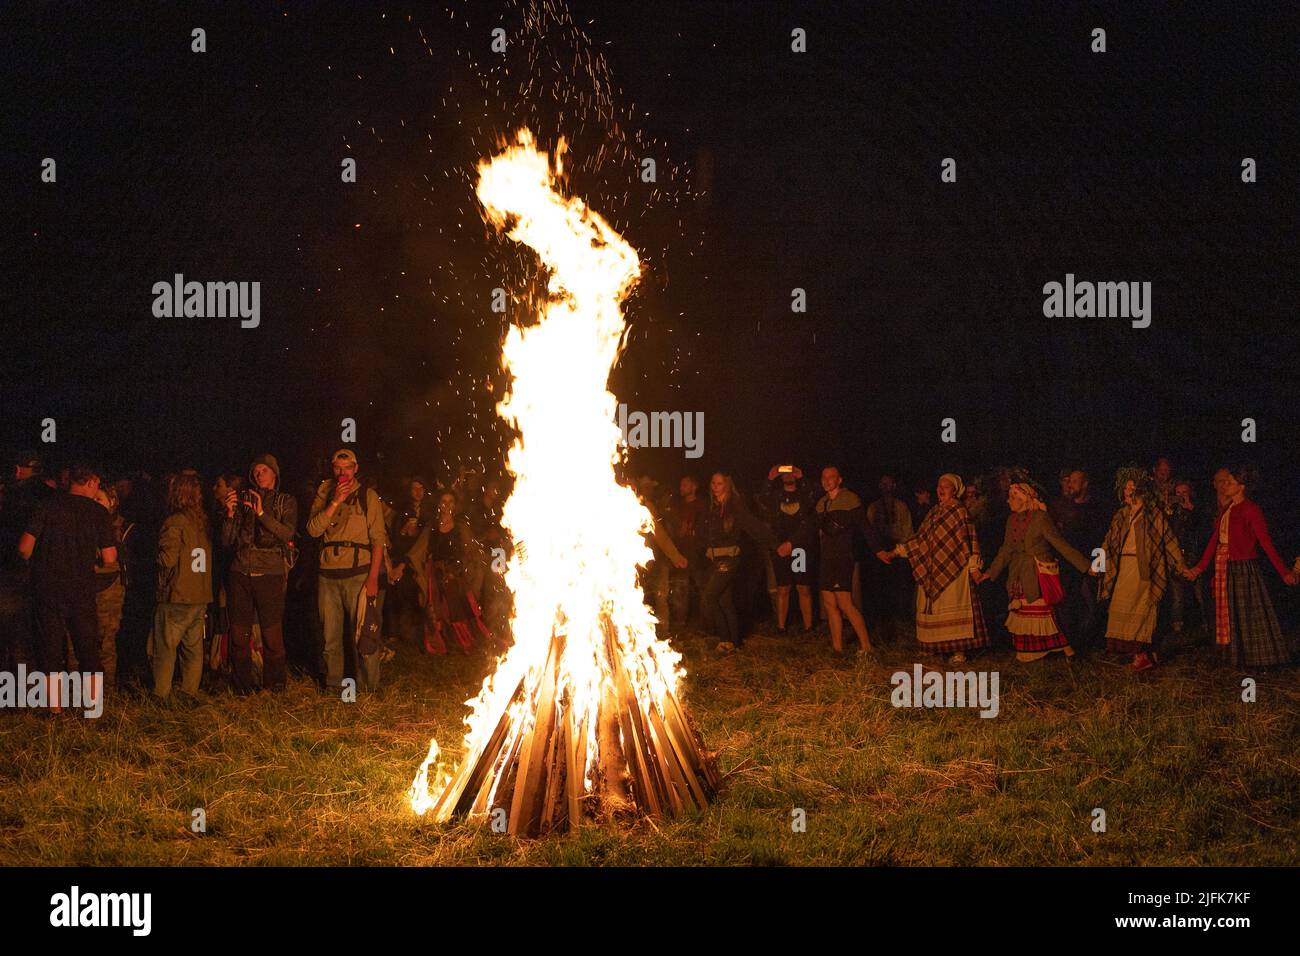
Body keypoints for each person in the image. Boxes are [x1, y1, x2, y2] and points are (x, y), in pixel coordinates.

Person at [17, 463, 117, 711]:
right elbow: (109, 557)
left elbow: (24, 547)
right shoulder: (97, 512)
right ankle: (92, 706)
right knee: (87, 649)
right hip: (81, 588)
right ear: (92, 482)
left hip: (47, 588)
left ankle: (54, 710)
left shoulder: (46, 506)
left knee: (50, 649)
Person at [973, 474, 1096, 662]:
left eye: (1014, 497)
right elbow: (1006, 550)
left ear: (1024, 499)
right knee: (1023, 610)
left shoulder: (1040, 518)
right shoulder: (1012, 521)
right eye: (1009, 496)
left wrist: (1086, 567)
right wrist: (990, 572)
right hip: (1018, 572)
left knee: (1044, 613)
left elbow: (1060, 544)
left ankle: (1066, 649)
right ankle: (1029, 650)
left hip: (1038, 572)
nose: (1009, 500)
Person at [1184, 466, 1297, 668]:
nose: (1225, 485)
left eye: (1230, 482)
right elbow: (1214, 540)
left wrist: (1284, 572)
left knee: (1247, 614)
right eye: (1225, 481)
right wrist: (1198, 568)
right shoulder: (1227, 510)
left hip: (1242, 568)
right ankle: (1233, 657)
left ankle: (1258, 659)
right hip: (1225, 566)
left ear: (1242, 486)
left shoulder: (1251, 509)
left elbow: (1265, 542)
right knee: (1228, 614)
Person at [307, 449, 389, 692]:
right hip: (328, 574)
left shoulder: (368, 495)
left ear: (356, 468)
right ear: (332, 469)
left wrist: (373, 577)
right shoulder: (324, 493)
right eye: (337, 468)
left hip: (358, 574)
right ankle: (334, 687)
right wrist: (334, 502)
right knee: (330, 636)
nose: (342, 473)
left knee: (363, 636)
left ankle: (367, 690)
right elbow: (312, 530)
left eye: (347, 468)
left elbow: (378, 539)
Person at [220, 454, 297, 694]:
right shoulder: (243, 501)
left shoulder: (286, 501)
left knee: (272, 636)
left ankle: (274, 688)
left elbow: (287, 533)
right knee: (239, 637)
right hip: (240, 573)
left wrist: (262, 513)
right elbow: (226, 541)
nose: (259, 474)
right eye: (256, 471)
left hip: (270, 574)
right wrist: (230, 514)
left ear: (275, 473)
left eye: (264, 470)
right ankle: (242, 688)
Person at [893, 474, 988, 663]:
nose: (940, 489)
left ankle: (958, 650)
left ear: (955, 490)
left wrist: (973, 567)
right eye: (939, 485)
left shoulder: (960, 511)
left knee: (953, 605)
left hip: (955, 569)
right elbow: (921, 539)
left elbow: (969, 540)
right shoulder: (934, 512)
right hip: (931, 568)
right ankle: (933, 646)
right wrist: (899, 551)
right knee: (933, 607)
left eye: (946, 486)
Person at [1097, 469, 1187, 671]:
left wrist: (1181, 566)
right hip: (1124, 568)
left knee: (1143, 612)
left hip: (1144, 570)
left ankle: (1142, 656)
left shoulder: (1153, 514)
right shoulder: (1121, 515)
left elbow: (1169, 540)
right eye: (1126, 487)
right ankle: (1144, 653)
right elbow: (1108, 542)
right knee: (1122, 610)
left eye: (1132, 487)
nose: (1128, 491)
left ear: (1141, 490)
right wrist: (1098, 563)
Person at [396, 489, 491, 654]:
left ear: (455, 506)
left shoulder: (461, 527)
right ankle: (441, 643)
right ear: (439, 505)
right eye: (443, 502)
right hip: (436, 575)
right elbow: (418, 550)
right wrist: (402, 567)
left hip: (456, 574)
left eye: (450, 502)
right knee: (437, 611)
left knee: (458, 609)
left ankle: (461, 642)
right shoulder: (431, 527)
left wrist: (468, 568)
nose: (447, 505)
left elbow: (472, 552)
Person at [700, 472, 783, 654]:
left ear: (727, 485)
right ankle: (735, 643)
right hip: (716, 560)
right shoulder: (714, 506)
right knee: (725, 601)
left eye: (719, 483)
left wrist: (775, 544)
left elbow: (754, 526)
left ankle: (724, 640)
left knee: (709, 598)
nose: (715, 486)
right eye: (713, 483)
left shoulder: (735, 506)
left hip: (729, 560)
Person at [151, 473, 212, 702]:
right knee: (193, 648)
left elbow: (166, 559)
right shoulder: (203, 521)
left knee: (165, 648)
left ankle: (161, 694)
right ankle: (189, 692)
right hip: (200, 594)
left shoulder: (174, 521)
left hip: (176, 594)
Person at [815, 466, 879, 655]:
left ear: (840, 479)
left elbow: (865, 527)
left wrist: (879, 550)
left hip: (843, 557)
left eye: (831, 477)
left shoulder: (850, 499)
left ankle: (867, 646)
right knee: (829, 603)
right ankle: (837, 647)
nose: (827, 480)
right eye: (824, 477)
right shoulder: (822, 503)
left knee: (844, 602)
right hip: (826, 557)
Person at [759, 464, 818, 633]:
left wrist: (802, 478)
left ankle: (808, 627)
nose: (788, 475)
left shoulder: (804, 494)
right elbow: (762, 499)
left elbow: (814, 497)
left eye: (791, 471)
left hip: (799, 548)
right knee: (783, 588)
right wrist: (770, 478)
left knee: (802, 587)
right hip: (779, 548)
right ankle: (781, 627)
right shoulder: (776, 496)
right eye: (784, 472)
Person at [635, 476, 690, 638]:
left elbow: (660, 534)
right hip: (639, 564)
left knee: (661, 598)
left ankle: (663, 634)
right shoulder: (637, 506)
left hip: (658, 561)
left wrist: (675, 556)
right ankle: (642, 636)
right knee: (643, 598)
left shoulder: (652, 507)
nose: (649, 490)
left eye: (650, 488)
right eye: (646, 487)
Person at [865, 473, 915, 642]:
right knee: (880, 589)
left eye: (889, 484)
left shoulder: (901, 506)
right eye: (883, 484)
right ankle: (881, 621)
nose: (886, 487)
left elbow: (908, 531)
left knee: (898, 588)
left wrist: (902, 550)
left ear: (894, 486)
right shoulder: (873, 507)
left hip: (898, 552)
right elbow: (870, 531)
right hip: (879, 552)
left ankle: (899, 621)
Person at [663, 474, 707, 628]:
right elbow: (671, 530)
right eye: (681, 485)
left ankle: (705, 625)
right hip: (680, 553)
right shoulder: (677, 507)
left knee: (703, 590)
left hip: (697, 554)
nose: (682, 488)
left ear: (694, 487)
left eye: (685, 485)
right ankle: (680, 626)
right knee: (680, 590)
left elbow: (705, 529)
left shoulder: (702, 505)